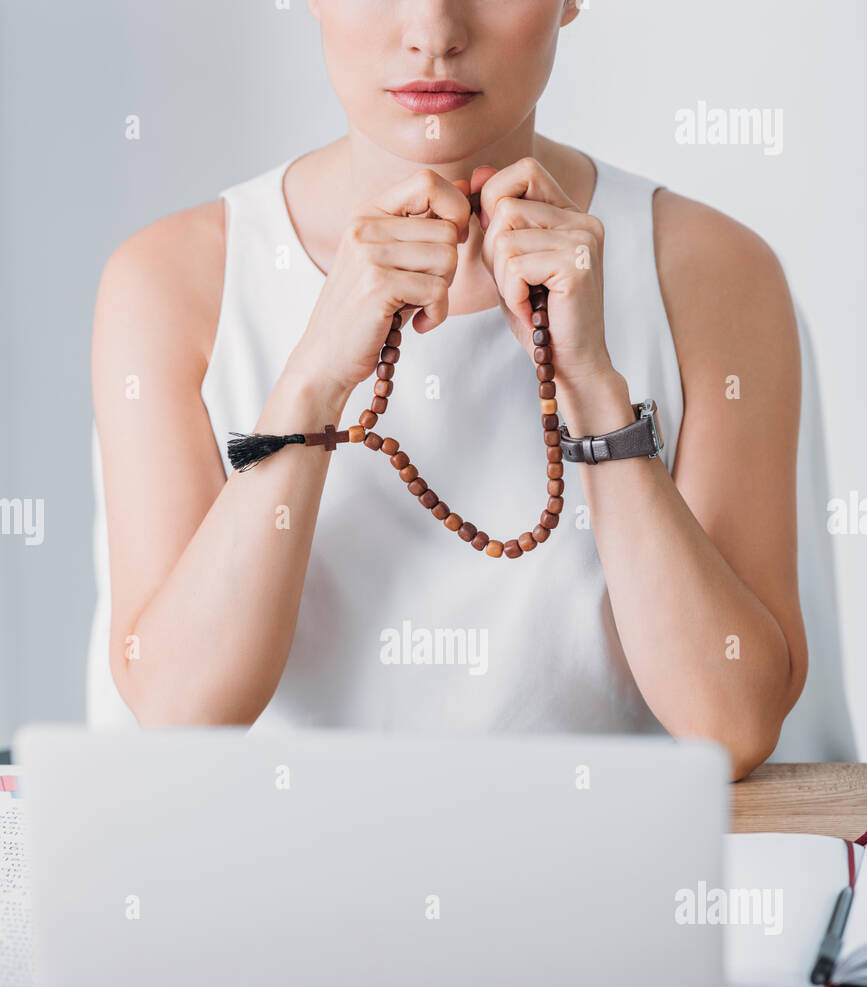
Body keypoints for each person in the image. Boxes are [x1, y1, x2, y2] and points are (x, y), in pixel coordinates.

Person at [89, 0, 812, 780]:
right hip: (271, 880)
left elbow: (731, 723)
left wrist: (591, 385)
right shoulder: (171, 278)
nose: (433, 30)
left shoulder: (711, 269)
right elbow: (176, 709)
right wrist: (312, 381)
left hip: (602, 879)